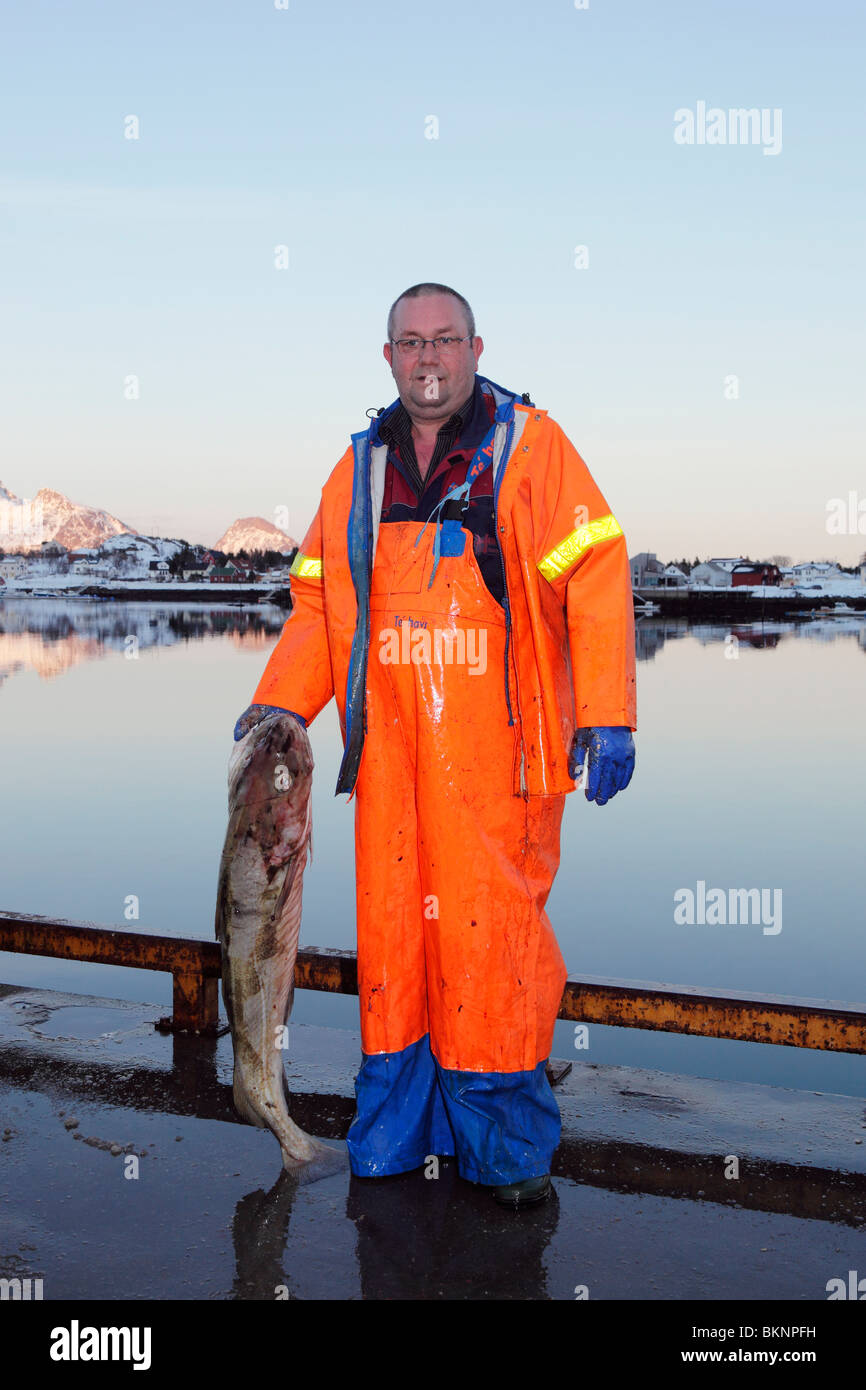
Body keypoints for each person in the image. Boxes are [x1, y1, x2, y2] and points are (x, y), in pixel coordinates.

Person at [234, 283, 636, 1208]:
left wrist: (606, 710)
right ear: (388, 358)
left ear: (475, 348)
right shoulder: (357, 472)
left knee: (489, 946)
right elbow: (318, 605)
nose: (429, 359)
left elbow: (598, 570)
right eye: (410, 343)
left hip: (500, 761)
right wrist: (277, 708)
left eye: (445, 340)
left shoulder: (532, 449)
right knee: (395, 946)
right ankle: (394, 1135)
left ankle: (503, 1154)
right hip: (391, 763)